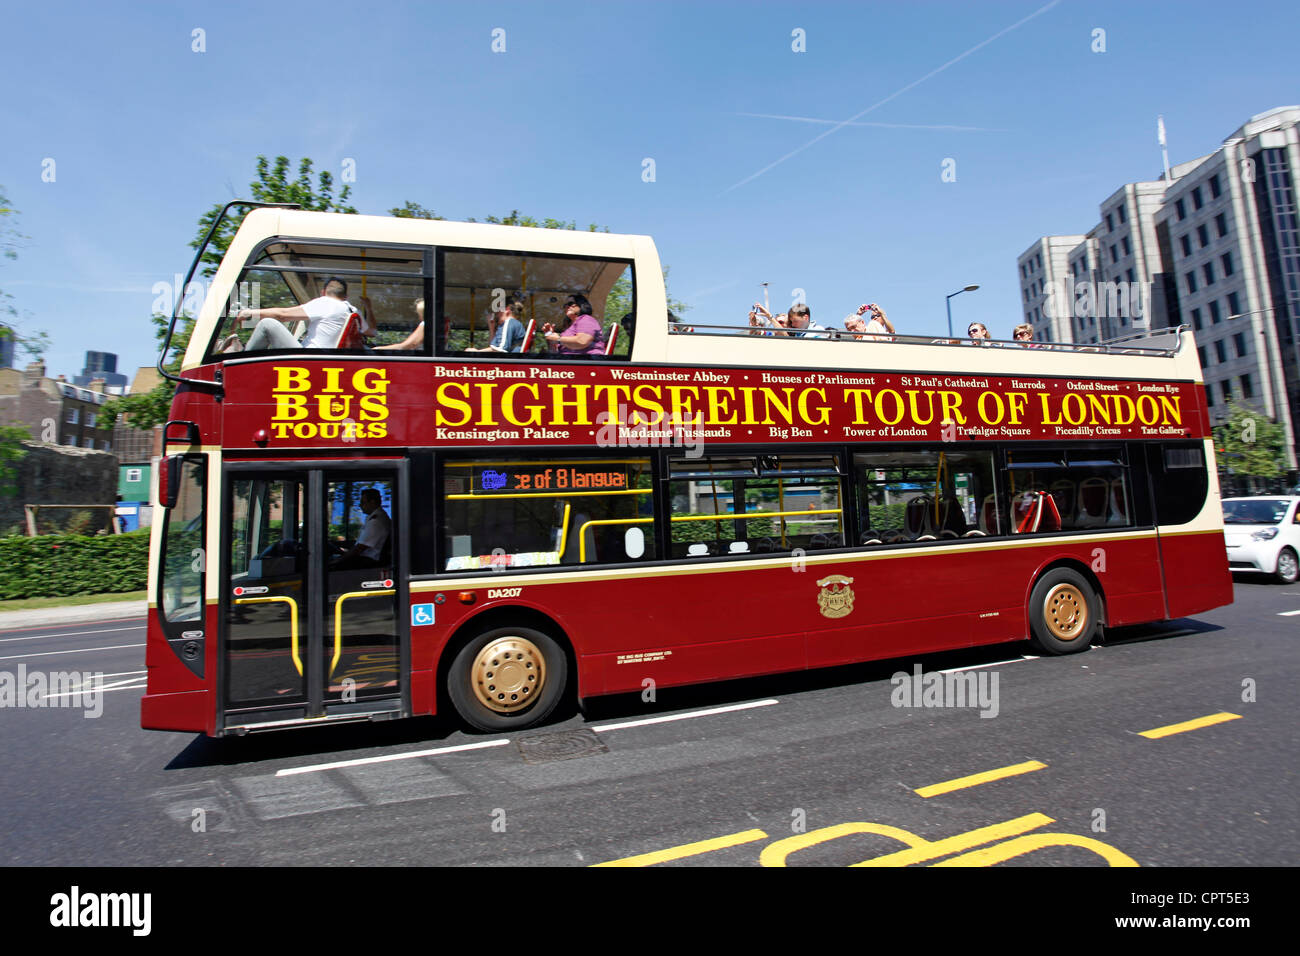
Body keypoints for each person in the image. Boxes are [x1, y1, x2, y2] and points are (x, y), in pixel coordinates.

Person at [227, 277, 357, 351]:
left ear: (323, 292)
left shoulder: (325, 303)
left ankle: (243, 359)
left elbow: (283, 315)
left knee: (267, 324)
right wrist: (367, 305)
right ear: (345, 296)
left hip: (308, 358)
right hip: (322, 358)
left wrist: (250, 313)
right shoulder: (353, 310)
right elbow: (371, 332)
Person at [331, 488, 391, 570]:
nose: (360, 505)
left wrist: (338, 560)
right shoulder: (375, 517)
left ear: (372, 502)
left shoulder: (376, 521)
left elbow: (360, 548)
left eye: (362, 503)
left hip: (368, 561)